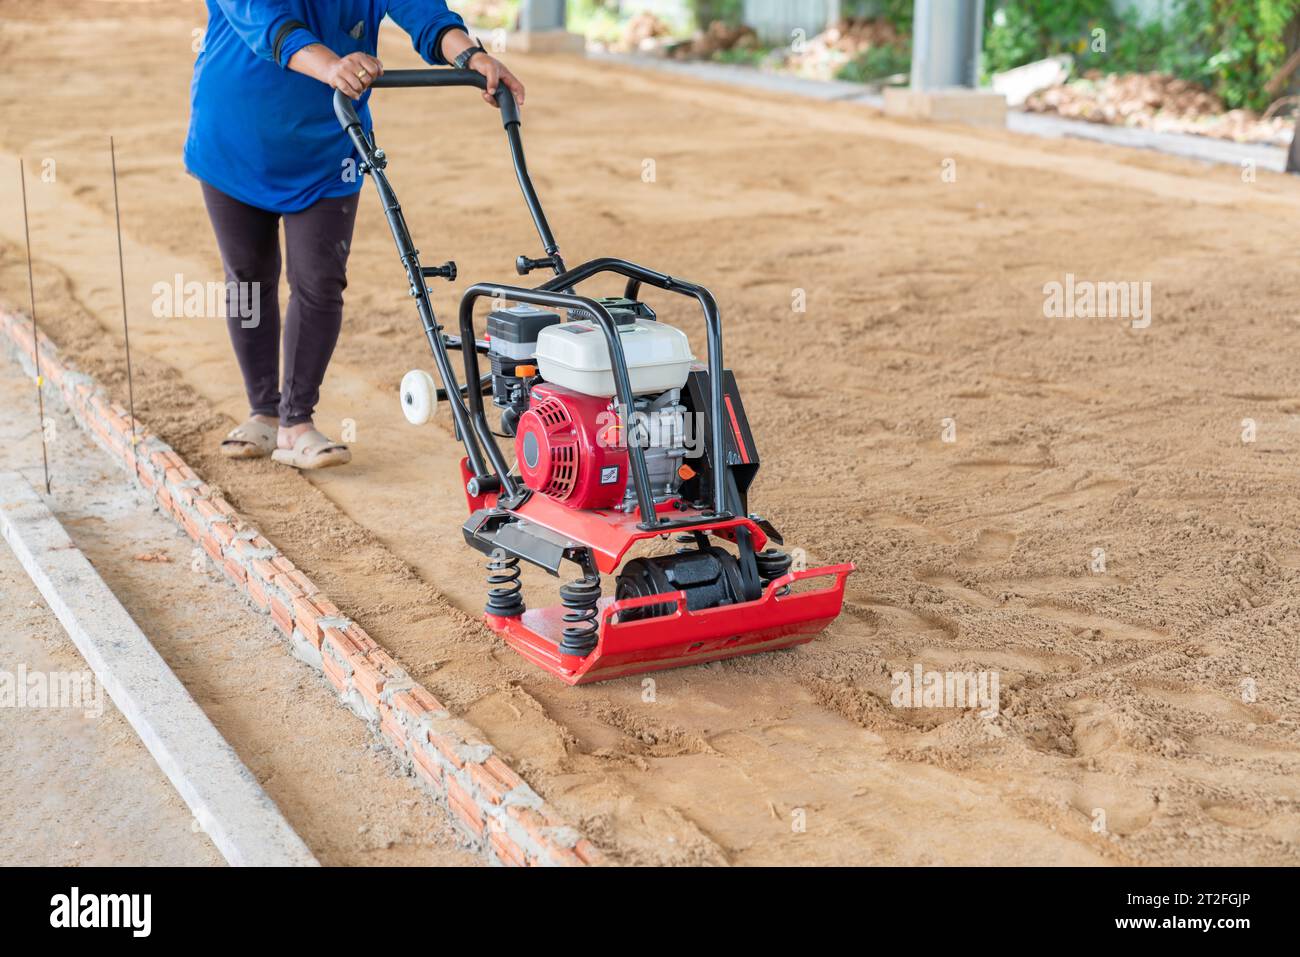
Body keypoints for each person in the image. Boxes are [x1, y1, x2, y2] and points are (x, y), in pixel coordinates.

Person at [185, 1, 524, 468]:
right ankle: (262, 411)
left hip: (329, 147)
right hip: (233, 140)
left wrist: (472, 57)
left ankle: (295, 422)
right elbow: (265, 26)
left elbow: (425, 14)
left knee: (320, 281)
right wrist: (332, 66)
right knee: (248, 277)